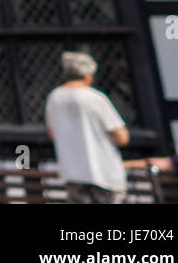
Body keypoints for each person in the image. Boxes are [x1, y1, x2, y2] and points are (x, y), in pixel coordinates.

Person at [45, 51, 129, 202]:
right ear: (88, 75)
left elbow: (52, 133)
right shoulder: (94, 97)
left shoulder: (54, 98)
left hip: (73, 172)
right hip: (103, 172)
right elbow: (121, 137)